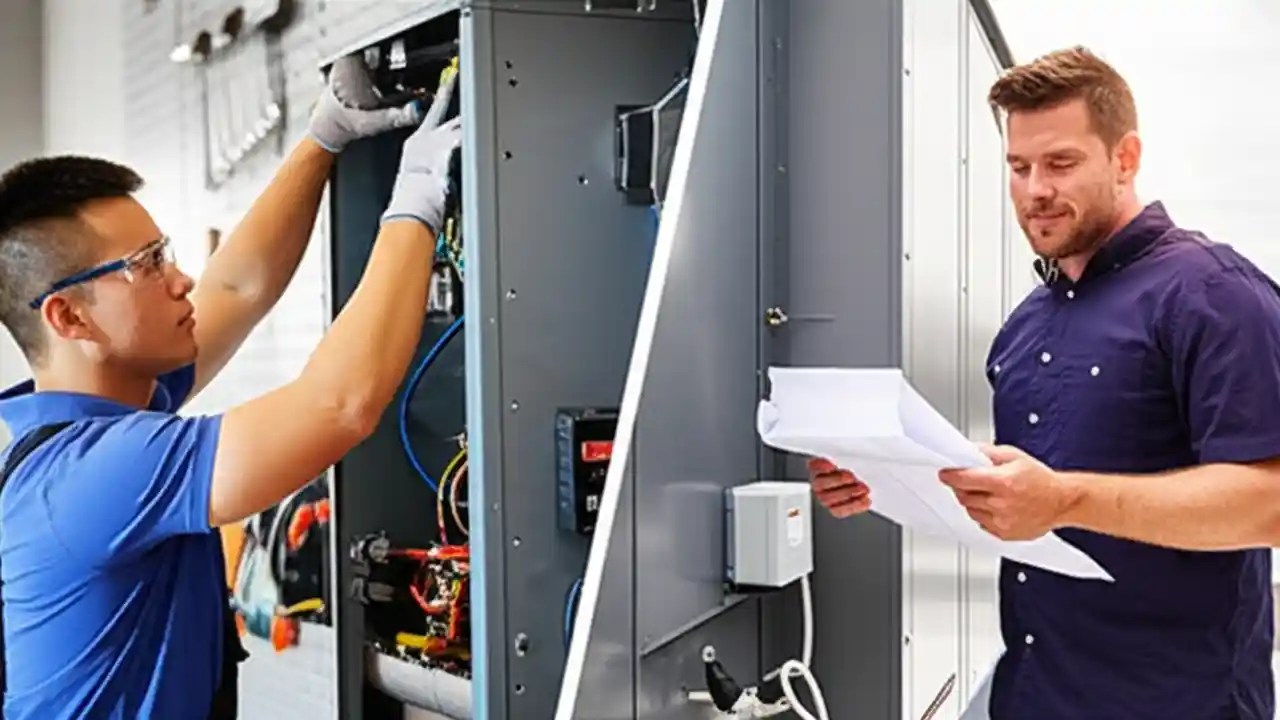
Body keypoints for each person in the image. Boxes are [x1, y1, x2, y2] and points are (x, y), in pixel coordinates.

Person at [809, 46, 1280, 720]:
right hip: (1038, 691)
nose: (1035, 190)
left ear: (1125, 157)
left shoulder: (1213, 294)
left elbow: (1271, 502)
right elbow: (1032, 501)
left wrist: (1063, 499)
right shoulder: (1027, 326)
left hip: (1177, 701)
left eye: (1061, 163)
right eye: (1019, 167)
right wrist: (886, 479)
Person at [0, 55, 461, 719]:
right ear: (69, 316)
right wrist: (417, 195)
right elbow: (340, 406)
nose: (181, 279)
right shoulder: (91, 471)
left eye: (166, 253)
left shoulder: (105, 407)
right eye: (147, 265)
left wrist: (324, 138)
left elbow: (235, 288)